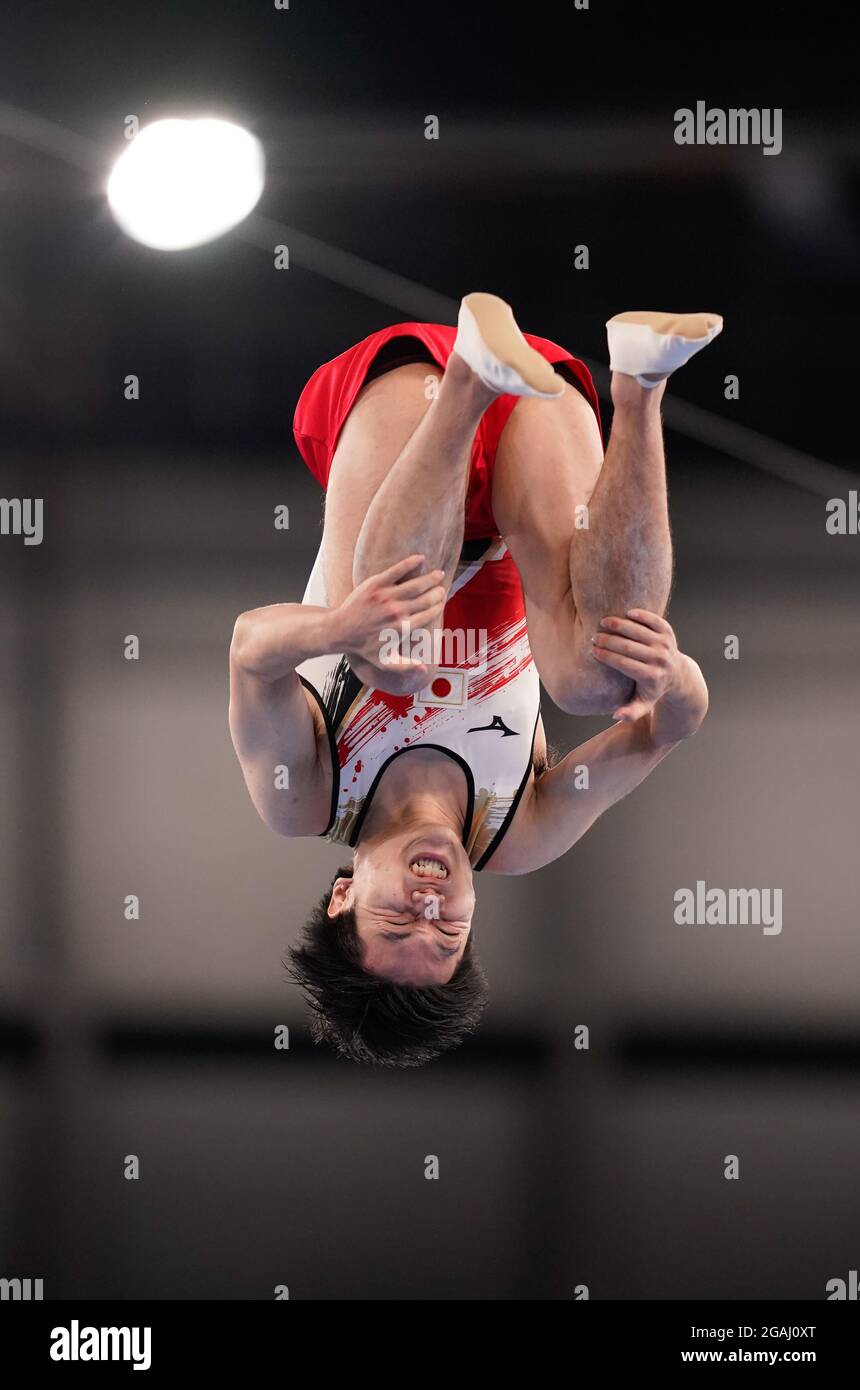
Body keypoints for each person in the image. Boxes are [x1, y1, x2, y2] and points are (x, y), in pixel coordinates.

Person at [229, 294, 719, 1065]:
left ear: (343, 896)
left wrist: (335, 628)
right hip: (534, 431)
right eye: (448, 931)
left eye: (398, 923)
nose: (429, 904)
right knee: (600, 683)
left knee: (392, 658)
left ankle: (469, 378)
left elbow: (250, 650)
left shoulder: (305, 796)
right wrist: (674, 675)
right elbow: (669, 727)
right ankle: (640, 382)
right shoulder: (519, 833)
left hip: (405, 415)